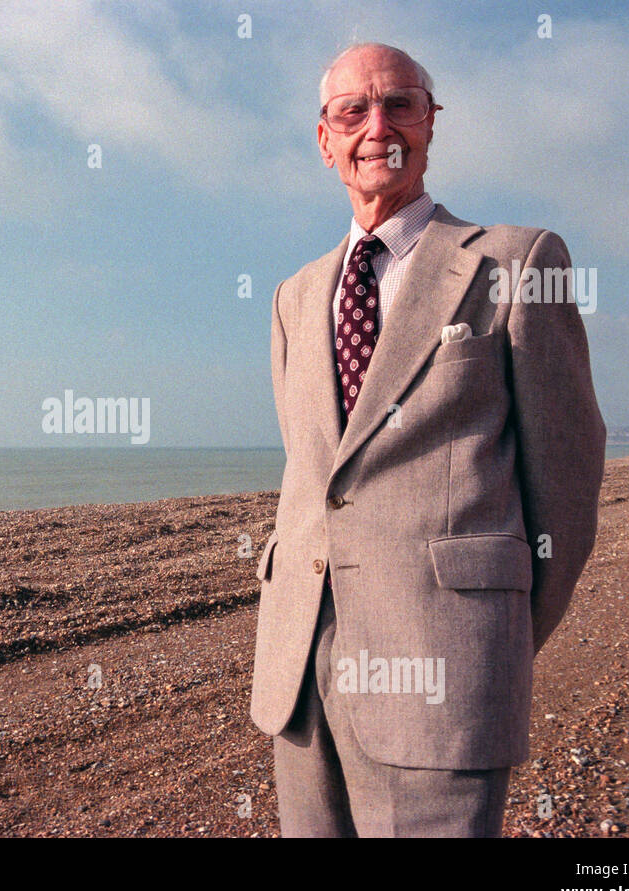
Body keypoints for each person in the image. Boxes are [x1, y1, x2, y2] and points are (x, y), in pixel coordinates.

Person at [250, 42, 606, 837]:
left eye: (400, 104)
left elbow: (567, 489)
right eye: (353, 111)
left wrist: (487, 634)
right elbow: (316, 473)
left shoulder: (517, 263)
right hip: (298, 677)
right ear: (325, 140)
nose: (378, 127)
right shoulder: (293, 297)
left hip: (443, 674)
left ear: (430, 123)